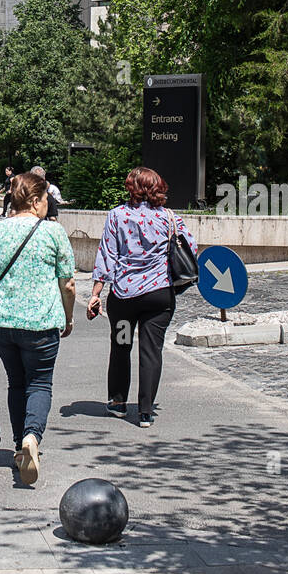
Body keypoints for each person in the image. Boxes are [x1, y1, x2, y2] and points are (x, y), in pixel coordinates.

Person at [0, 171, 75, 485]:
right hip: (41, 324)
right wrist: (67, 318)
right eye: (46, 200)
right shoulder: (53, 233)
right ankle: (31, 438)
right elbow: (67, 283)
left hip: (1, 324)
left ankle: (18, 447)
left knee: (16, 382)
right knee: (39, 383)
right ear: (37, 200)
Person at [87, 166, 197, 428]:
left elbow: (107, 256)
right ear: (157, 187)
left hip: (125, 299)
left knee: (122, 346)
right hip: (158, 297)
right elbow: (190, 248)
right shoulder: (170, 218)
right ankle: (146, 412)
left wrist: (95, 294)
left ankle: (118, 402)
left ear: (131, 187)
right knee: (151, 351)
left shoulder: (117, 216)